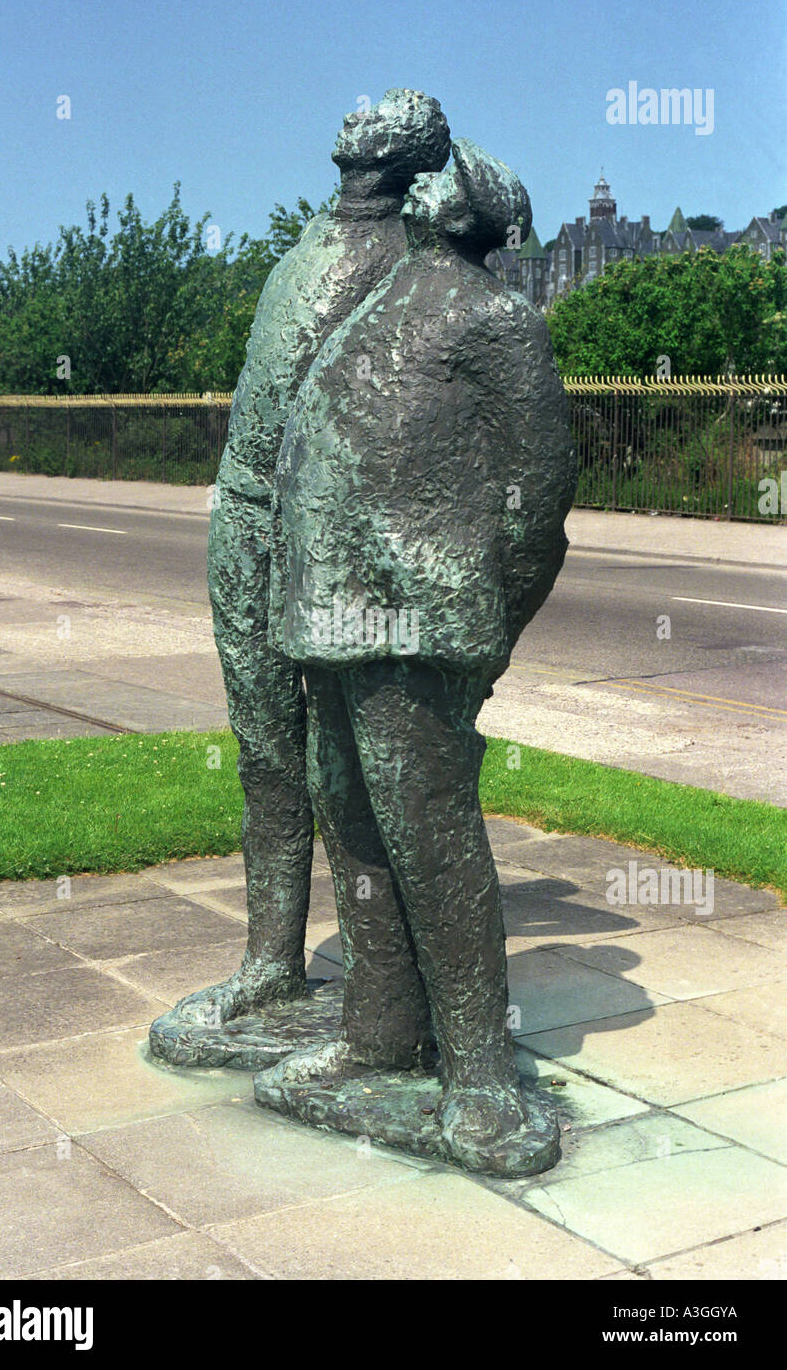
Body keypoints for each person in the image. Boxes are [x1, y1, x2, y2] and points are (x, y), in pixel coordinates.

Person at [262, 139, 577, 1175]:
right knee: (352, 831)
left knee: (430, 842)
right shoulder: (380, 294)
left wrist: (475, 635)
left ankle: (480, 1076)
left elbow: (534, 507)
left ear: (467, 209)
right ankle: (377, 1029)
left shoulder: (496, 319)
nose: (423, 179)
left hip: (413, 627)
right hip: (333, 619)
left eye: (444, 173)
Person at [155, 92, 451, 1047]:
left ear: (401, 153)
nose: (355, 120)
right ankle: (271, 962)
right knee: (264, 751)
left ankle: (387, 991)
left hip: (321, 536)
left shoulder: (411, 260)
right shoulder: (311, 239)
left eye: (380, 119)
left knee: (342, 768)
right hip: (242, 514)